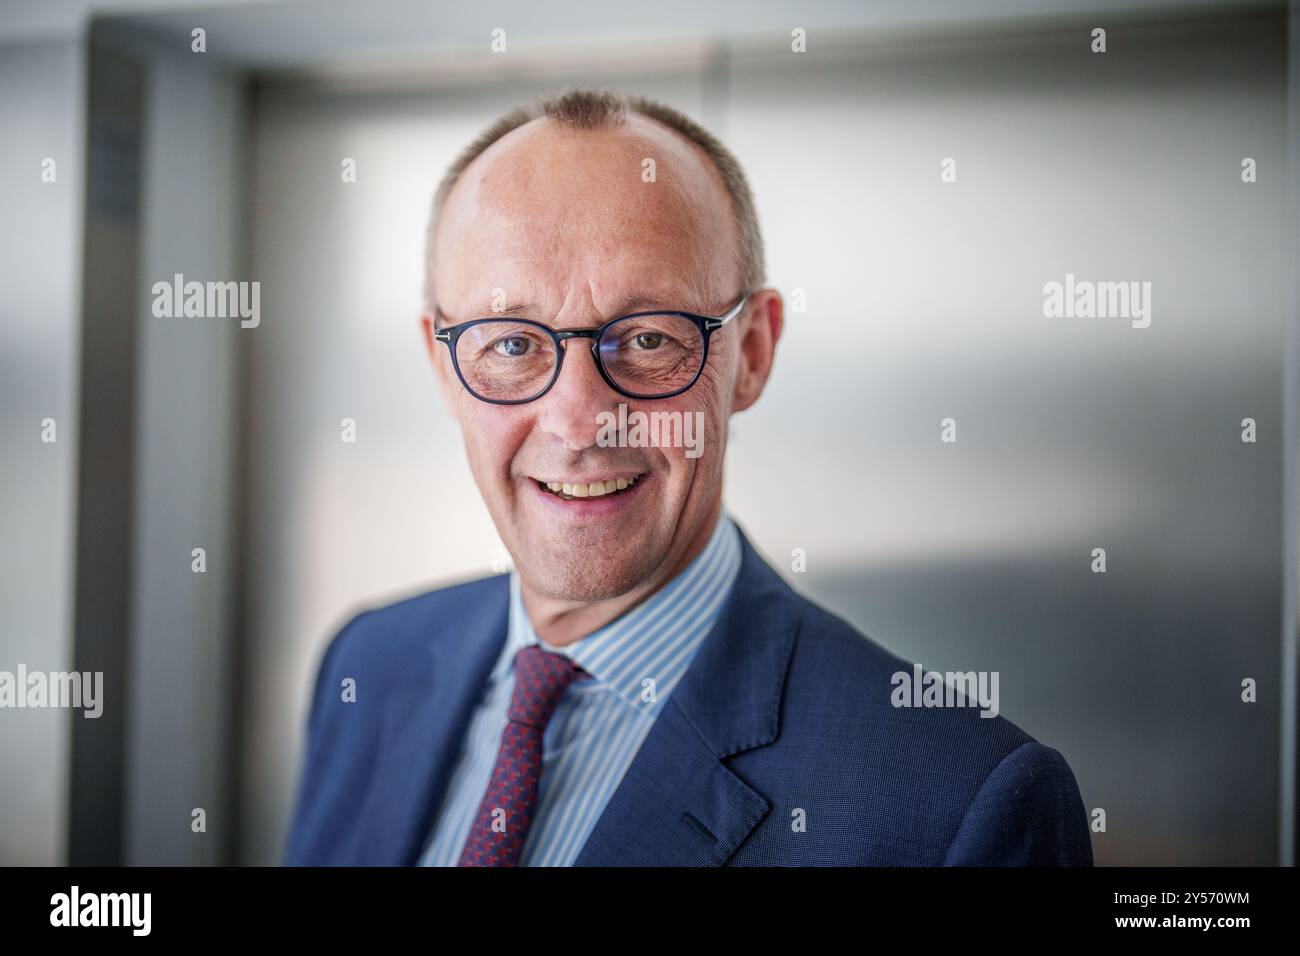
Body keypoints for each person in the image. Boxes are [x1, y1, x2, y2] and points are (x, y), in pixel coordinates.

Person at [282, 89, 1093, 866]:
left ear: (753, 353)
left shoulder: (959, 807)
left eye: (645, 339)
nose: (578, 421)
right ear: (442, 364)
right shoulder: (368, 667)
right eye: (512, 343)